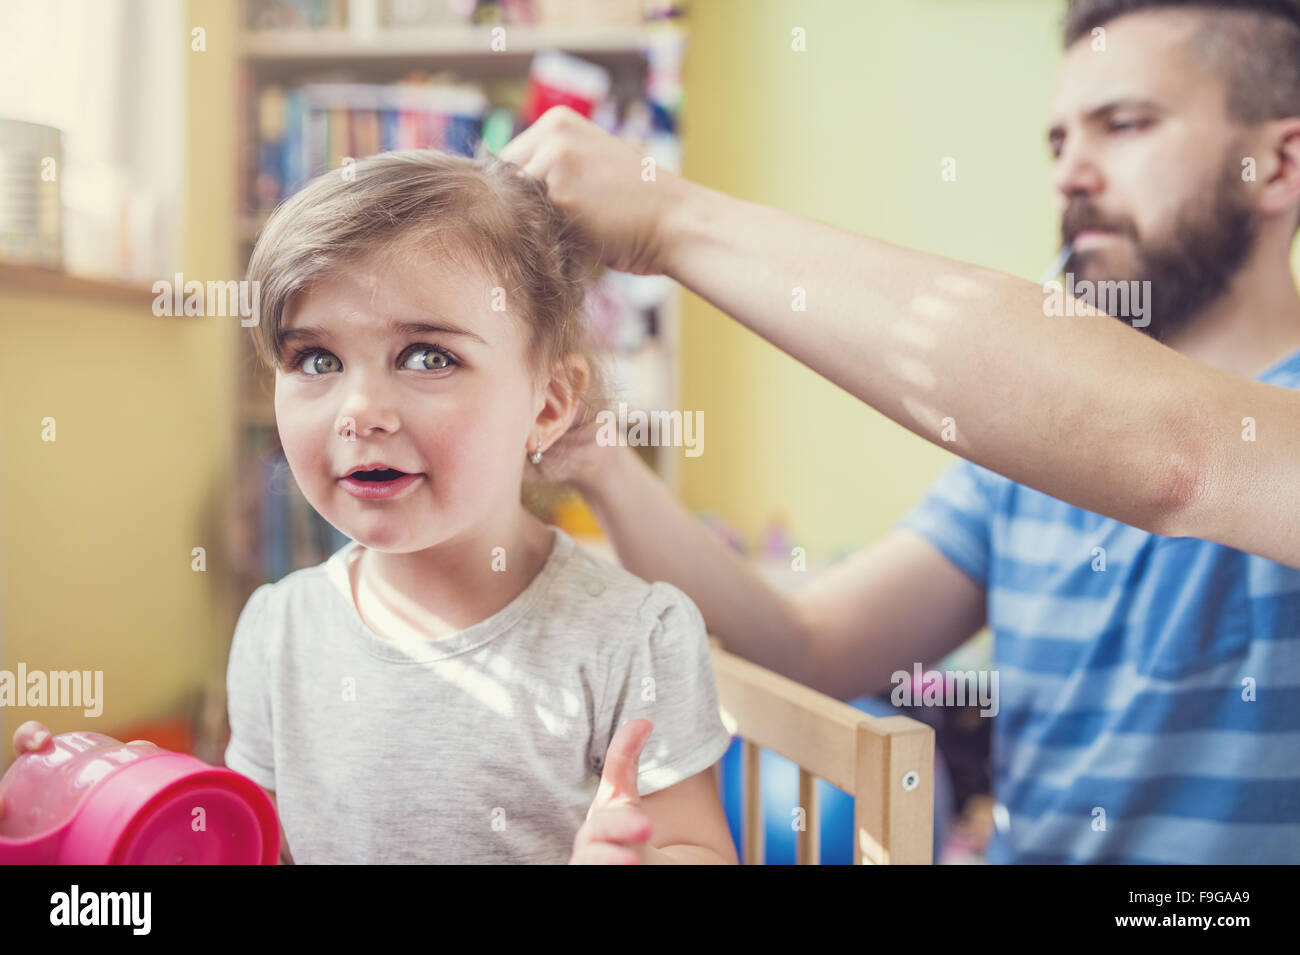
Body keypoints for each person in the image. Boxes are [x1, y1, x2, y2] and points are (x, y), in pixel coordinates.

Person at [504, 0, 1300, 862]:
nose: (1071, 174)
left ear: (1280, 163)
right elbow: (806, 649)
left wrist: (672, 219)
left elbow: (1176, 456)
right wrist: (604, 463)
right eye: (1059, 142)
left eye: (1125, 124)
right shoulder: (1020, 467)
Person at [227, 149, 733, 864]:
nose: (360, 410)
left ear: (550, 404)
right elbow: (246, 845)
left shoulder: (635, 637)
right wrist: (93, 804)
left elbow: (696, 846)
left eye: (427, 357)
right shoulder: (275, 632)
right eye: (316, 360)